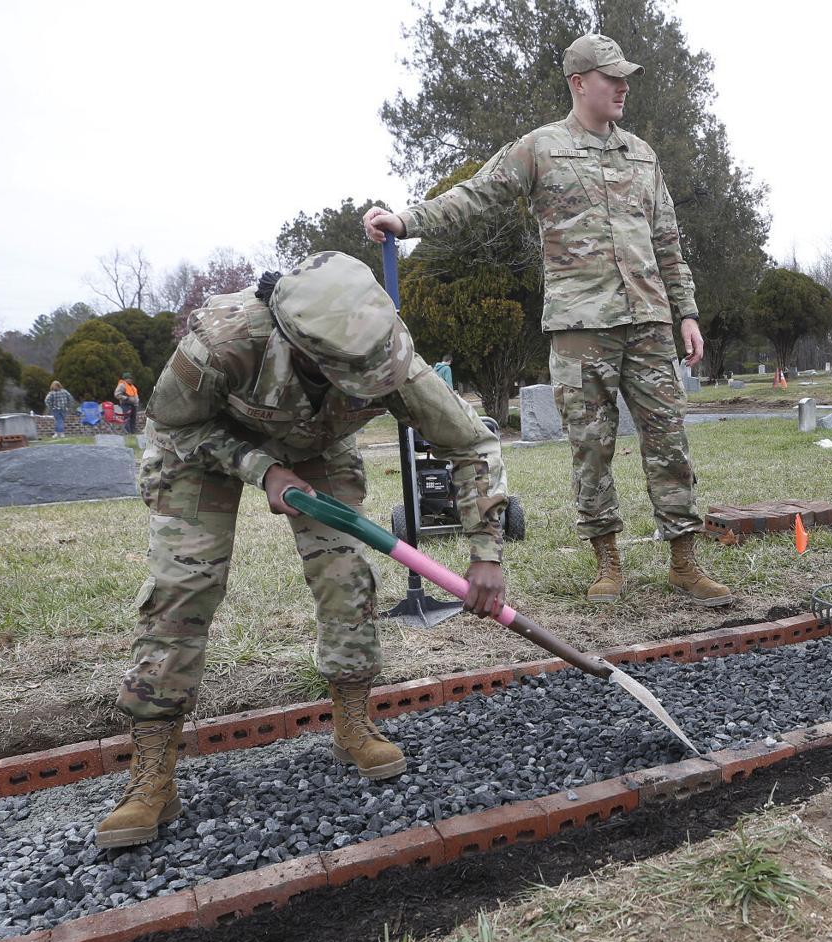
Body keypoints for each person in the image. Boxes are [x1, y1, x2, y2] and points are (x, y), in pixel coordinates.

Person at [96, 252, 509, 849]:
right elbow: (175, 424)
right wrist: (261, 469)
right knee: (184, 586)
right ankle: (152, 774)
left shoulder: (389, 355)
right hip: (201, 447)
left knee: (347, 575)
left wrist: (486, 553)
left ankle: (352, 723)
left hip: (318, 444)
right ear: (305, 347)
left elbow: (473, 444)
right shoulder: (222, 343)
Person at [362, 33, 732, 609]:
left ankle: (684, 560)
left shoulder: (642, 155)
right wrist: (406, 221)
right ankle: (607, 560)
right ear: (579, 83)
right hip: (582, 326)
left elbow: (667, 241)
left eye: (624, 76)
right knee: (592, 448)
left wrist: (686, 312)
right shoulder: (540, 149)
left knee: (669, 444)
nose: (622, 86)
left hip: (650, 322)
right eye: (611, 77)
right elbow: (477, 195)